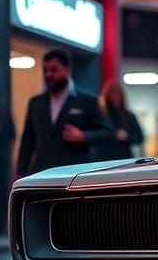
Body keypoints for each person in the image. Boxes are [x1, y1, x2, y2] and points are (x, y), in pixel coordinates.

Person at [16, 49, 111, 178]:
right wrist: (20, 173)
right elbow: (28, 140)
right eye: (45, 70)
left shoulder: (88, 100)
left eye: (54, 70)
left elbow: (108, 132)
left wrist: (84, 136)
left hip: (74, 174)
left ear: (67, 70)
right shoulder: (35, 103)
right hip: (41, 174)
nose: (49, 74)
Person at [91, 79, 145, 162]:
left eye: (117, 95)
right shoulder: (100, 115)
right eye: (112, 95)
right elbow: (93, 136)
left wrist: (127, 137)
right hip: (102, 159)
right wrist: (113, 135)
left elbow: (139, 137)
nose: (115, 98)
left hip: (123, 158)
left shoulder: (128, 116)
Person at [0, 87, 15, 235]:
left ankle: (2, 227)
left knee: (3, 194)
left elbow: (11, 140)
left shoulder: (5, 115)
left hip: (2, 162)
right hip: (3, 160)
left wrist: (12, 166)